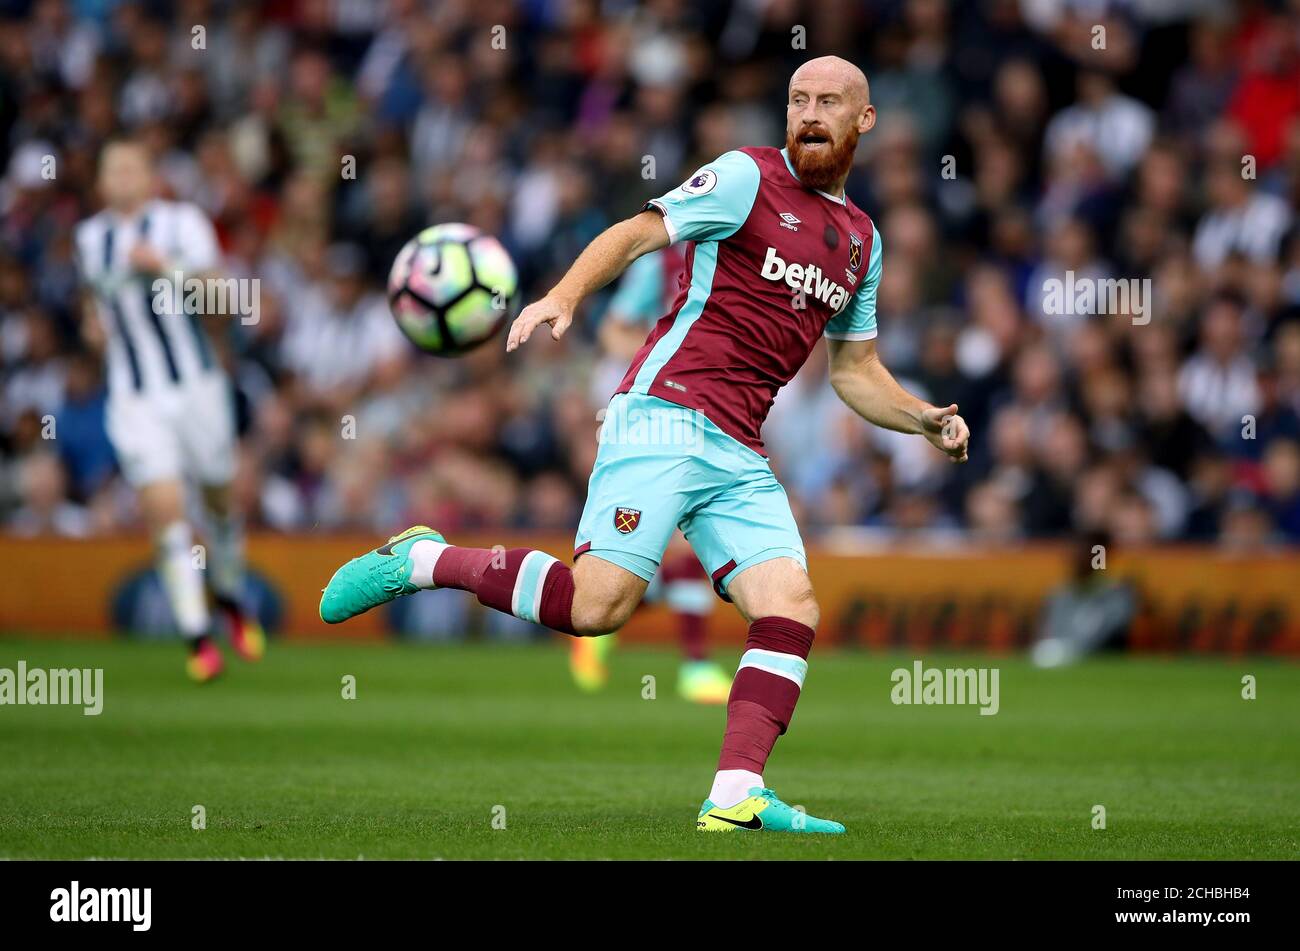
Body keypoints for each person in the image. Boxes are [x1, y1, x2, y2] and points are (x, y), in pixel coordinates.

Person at [321, 57, 970, 834]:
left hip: (738, 446)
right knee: (597, 607)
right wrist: (563, 295)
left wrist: (923, 417)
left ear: (864, 120)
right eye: (798, 98)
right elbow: (638, 232)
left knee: (790, 604)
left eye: (829, 101)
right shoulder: (744, 178)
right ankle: (423, 560)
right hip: (663, 415)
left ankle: (734, 794)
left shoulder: (861, 241)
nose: (809, 111)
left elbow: (856, 371)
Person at [74, 139, 264, 682]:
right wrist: (93, 329)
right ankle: (197, 638)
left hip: (197, 387)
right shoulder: (90, 239)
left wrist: (166, 267)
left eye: (132, 167)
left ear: (151, 175)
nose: (122, 177)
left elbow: (228, 300)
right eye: (112, 169)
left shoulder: (183, 223)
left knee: (221, 501)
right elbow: (94, 307)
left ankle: (228, 596)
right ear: (102, 182)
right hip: (135, 397)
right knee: (165, 510)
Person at [571, 246, 733, 704]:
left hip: (712, 402)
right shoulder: (661, 261)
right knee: (682, 541)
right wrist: (663, 355)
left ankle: (595, 621)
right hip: (655, 401)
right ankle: (696, 667)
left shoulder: (753, 256)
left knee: (677, 545)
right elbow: (613, 328)